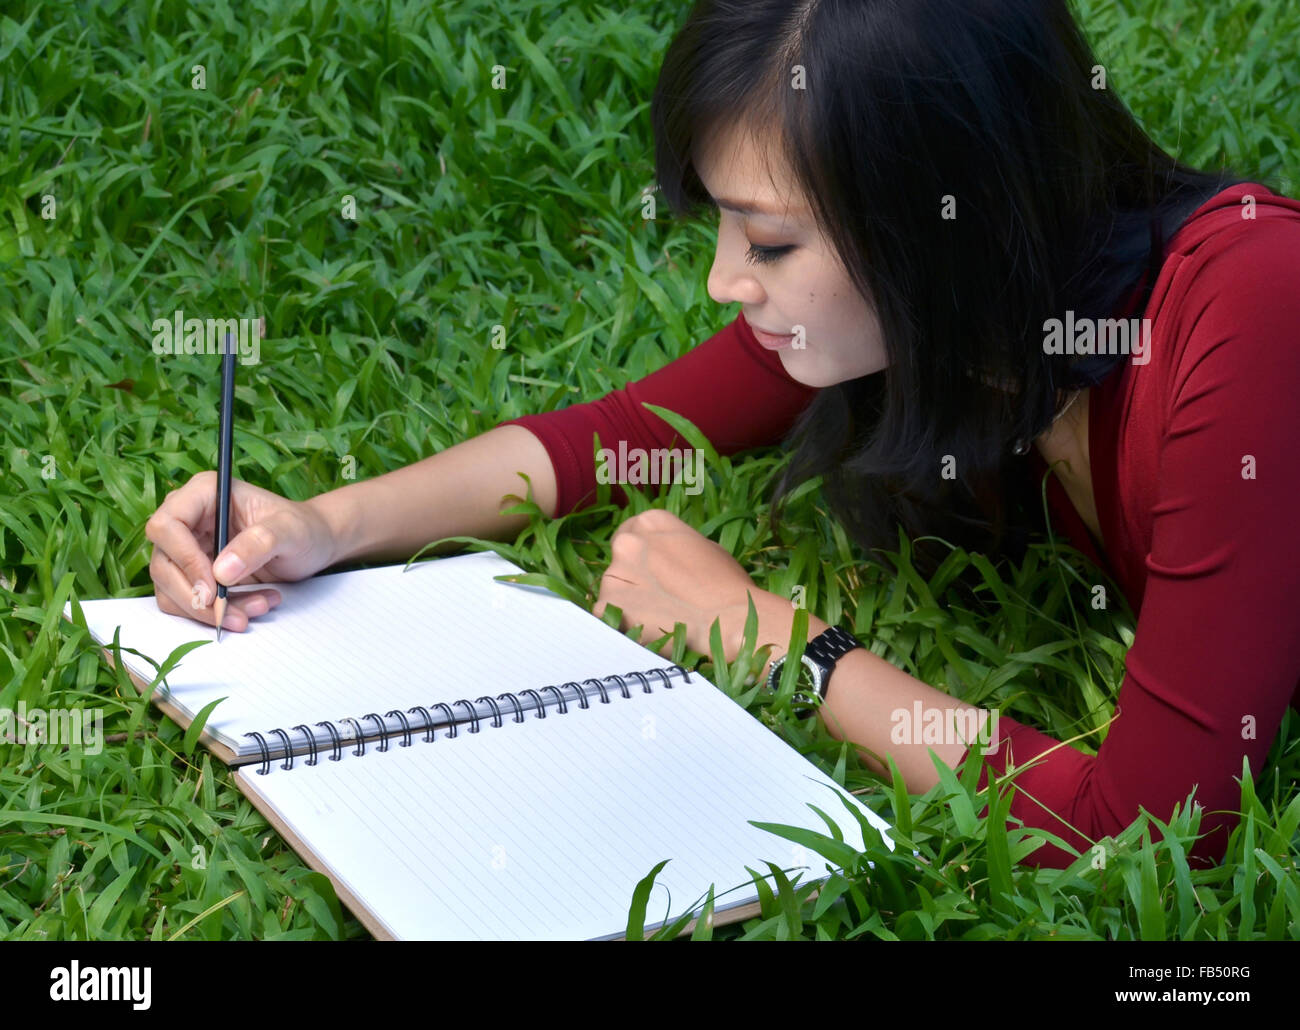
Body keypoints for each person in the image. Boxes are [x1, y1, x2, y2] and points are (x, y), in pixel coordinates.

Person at [145, 0, 1300, 870]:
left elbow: (1151, 833)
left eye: (770, 243)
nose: (720, 282)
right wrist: (324, 525)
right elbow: (617, 436)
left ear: (948, 215)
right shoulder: (948, 312)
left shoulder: (1251, 316)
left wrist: (777, 638)